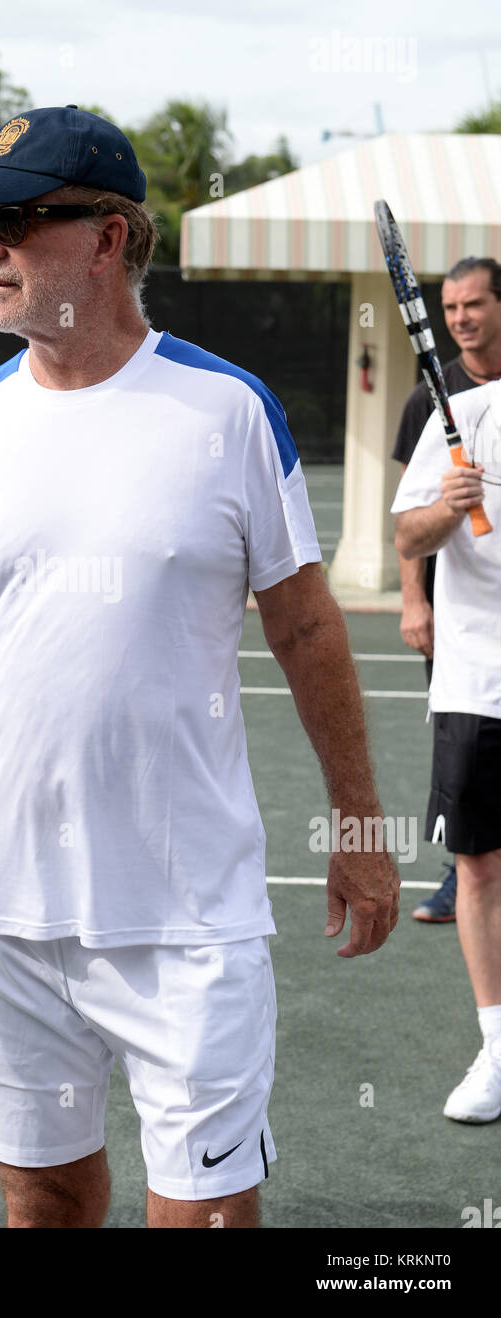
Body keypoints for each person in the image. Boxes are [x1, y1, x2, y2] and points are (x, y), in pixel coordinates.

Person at [0, 105, 400, 1228]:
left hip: (187, 917)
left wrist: (362, 829)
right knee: (41, 1200)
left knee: (206, 1217)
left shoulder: (227, 411)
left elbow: (306, 630)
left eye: (17, 219)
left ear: (110, 237)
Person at [392, 372, 501, 1122]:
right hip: (478, 679)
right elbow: (406, 534)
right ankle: (497, 1048)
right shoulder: (463, 413)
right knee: (478, 866)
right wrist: (448, 506)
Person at [393, 259, 501, 923]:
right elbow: (406, 511)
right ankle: (456, 874)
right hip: (461, 623)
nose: (459, 318)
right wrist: (413, 599)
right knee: (464, 765)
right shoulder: (428, 398)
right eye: (449, 307)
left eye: (472, 305)